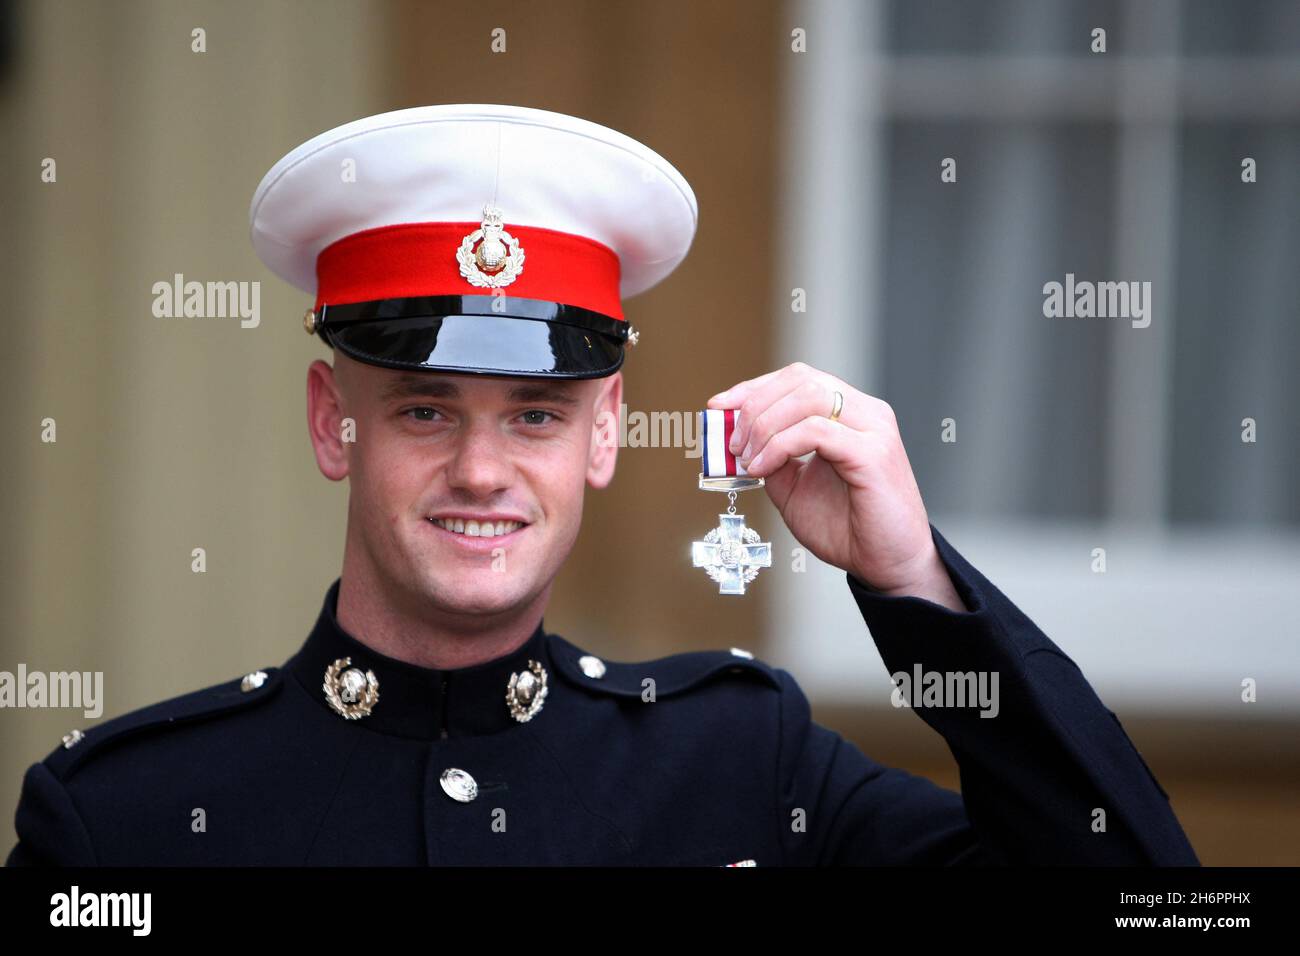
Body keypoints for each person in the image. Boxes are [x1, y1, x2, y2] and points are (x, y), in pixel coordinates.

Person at [7, 104, 1198, 866]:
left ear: (605, 433)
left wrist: (912, 576)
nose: (482, 469)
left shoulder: (745, 762)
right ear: (334, 424)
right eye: (425, 410)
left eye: (536, 414)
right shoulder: (130, 822)